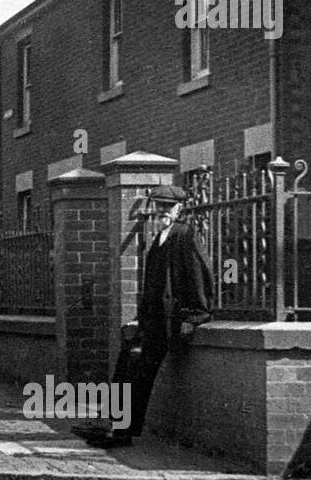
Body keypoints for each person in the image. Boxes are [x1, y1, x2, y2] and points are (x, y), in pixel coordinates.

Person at [77, 183, 214, 448]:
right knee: (125, 360)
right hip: (153, 320)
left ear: (179, 208)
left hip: (171, 321)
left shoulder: (185, 235)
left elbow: (201, 276)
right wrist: (140, 318)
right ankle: (108, 421)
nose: (162, 211)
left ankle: (121, 432)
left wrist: (195, 315)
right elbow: (152, 286)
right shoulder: (160, 238)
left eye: (168, 207)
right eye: (159, 206)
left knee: (139, 368)